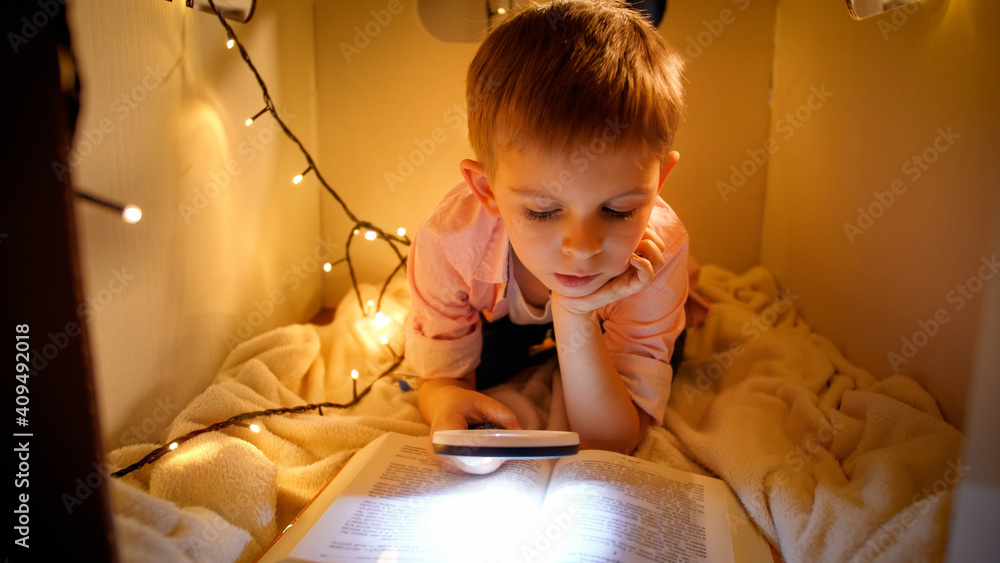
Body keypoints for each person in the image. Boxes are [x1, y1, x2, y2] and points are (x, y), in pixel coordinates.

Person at [405, 0, 706, 473]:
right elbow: (442, 377)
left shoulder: (659, 252)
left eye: (619, 210)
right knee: (489, 366)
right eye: (542, 212)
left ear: (658, 184)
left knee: (671, 350)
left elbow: (612, 439)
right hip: (500, 311)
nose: (582, 247)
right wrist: (445, 399)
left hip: (619, 305)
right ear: (487, 191)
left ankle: (684, 295)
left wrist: (575, 312)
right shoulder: (449, 242)